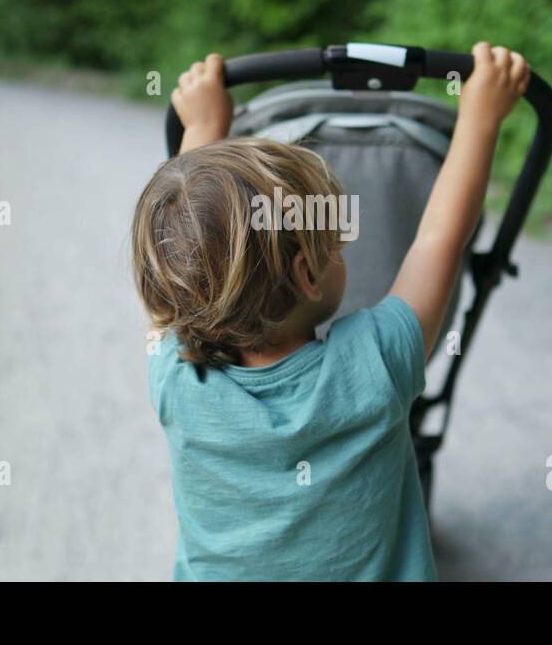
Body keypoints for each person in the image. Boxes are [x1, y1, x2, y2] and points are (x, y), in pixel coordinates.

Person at [131, 42, 531, 580]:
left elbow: (176, 256)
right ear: (306, 274)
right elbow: (439, 239)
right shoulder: (376, 362)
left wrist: (202, 125)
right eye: (337, 243)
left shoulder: (174, 375)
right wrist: (481, 116)